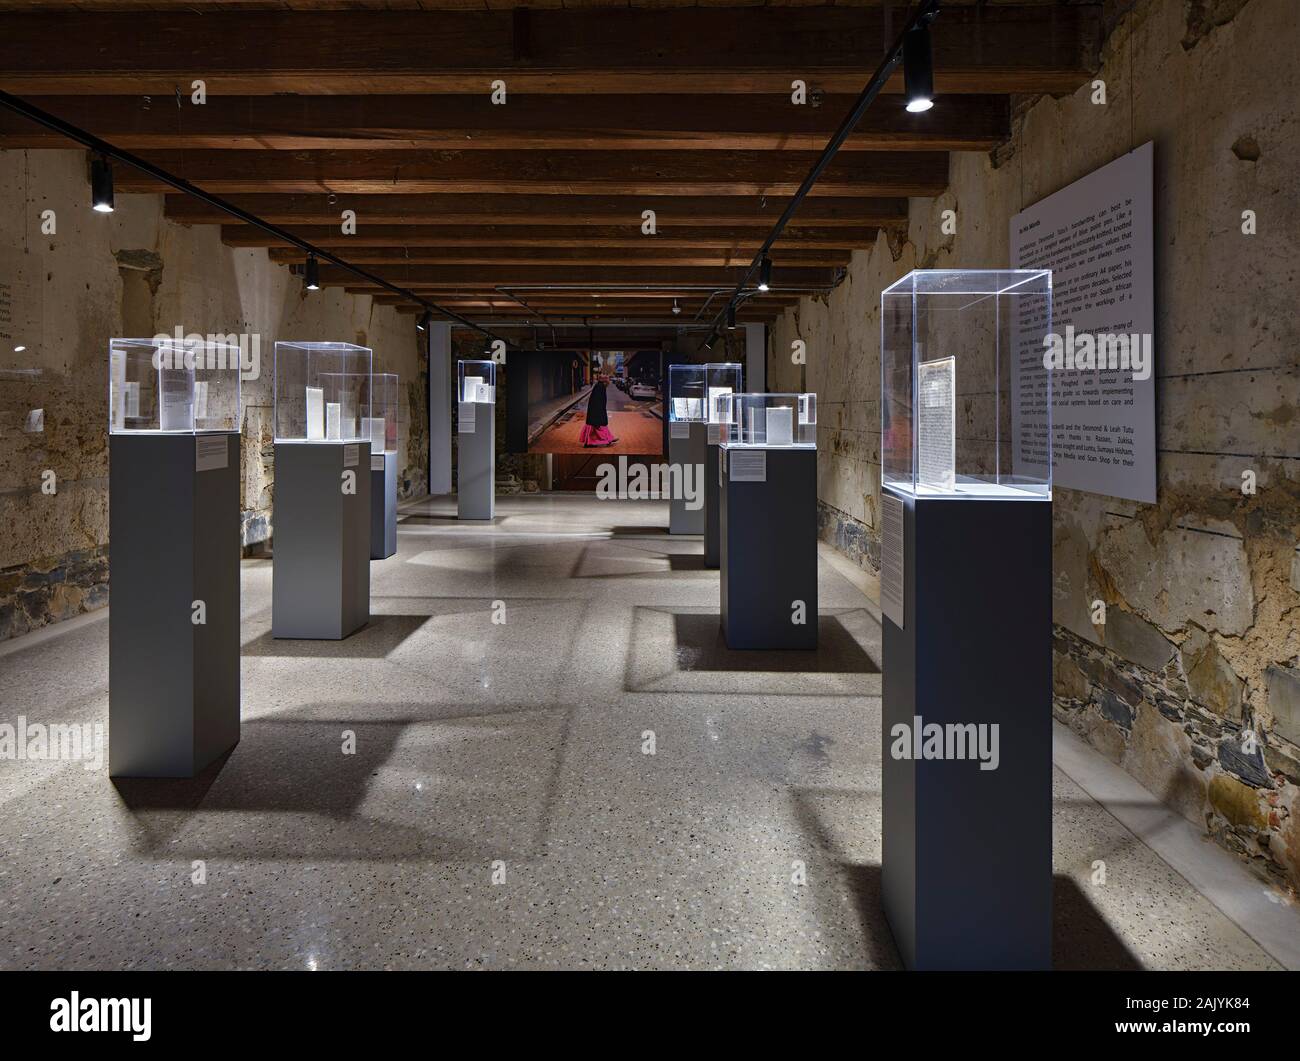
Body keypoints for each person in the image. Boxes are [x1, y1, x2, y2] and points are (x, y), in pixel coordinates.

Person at [580, 373, 619, 447]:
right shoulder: (600, 387)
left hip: (596, 410)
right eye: (607, 379)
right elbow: (597, 401)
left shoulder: (600, 386)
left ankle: (609, 439)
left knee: (599, 426)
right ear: (604, 380)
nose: (609, 381)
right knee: (599, 426)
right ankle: (605, 440)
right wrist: (598, 412)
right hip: (596, 411)